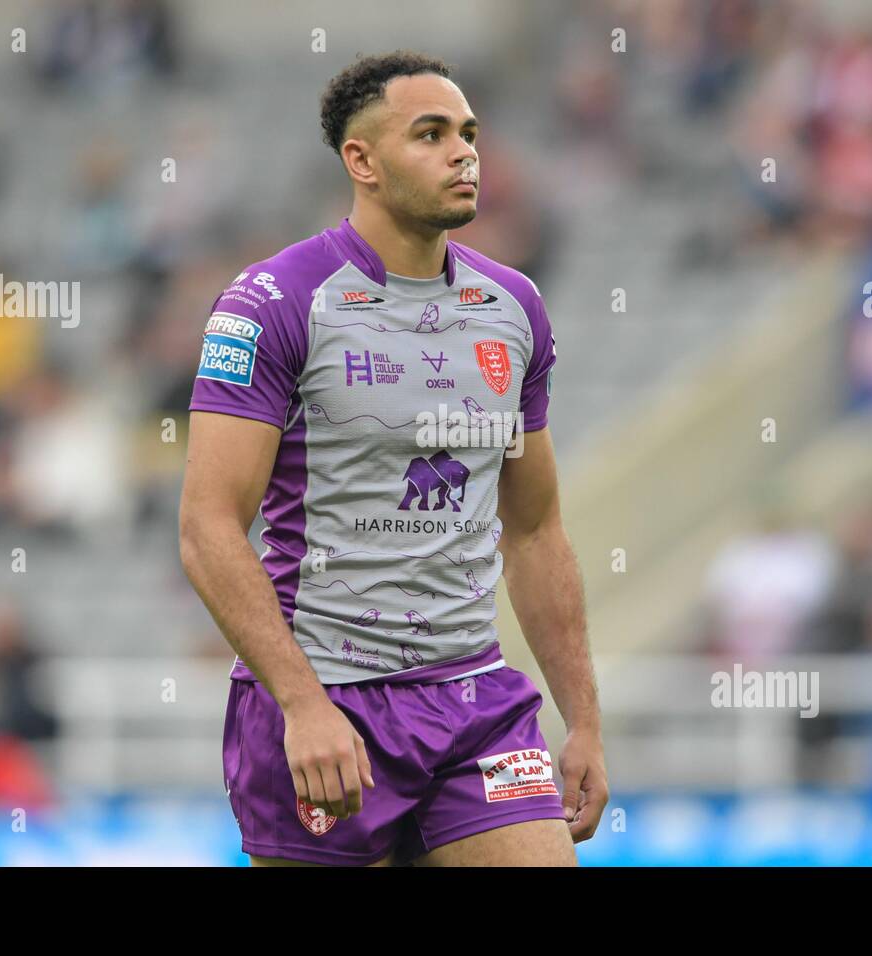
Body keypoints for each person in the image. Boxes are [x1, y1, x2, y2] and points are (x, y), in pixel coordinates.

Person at [179, 51, 607, 867]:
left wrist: (582, 718)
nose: (464, 153)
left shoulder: (514, 307)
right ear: (362, 161)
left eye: (469, 133)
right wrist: (302, 704)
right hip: (327, 698)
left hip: (475, 701)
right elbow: (208, 527)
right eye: (431, 134)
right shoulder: (273, 302)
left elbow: (534, 531)